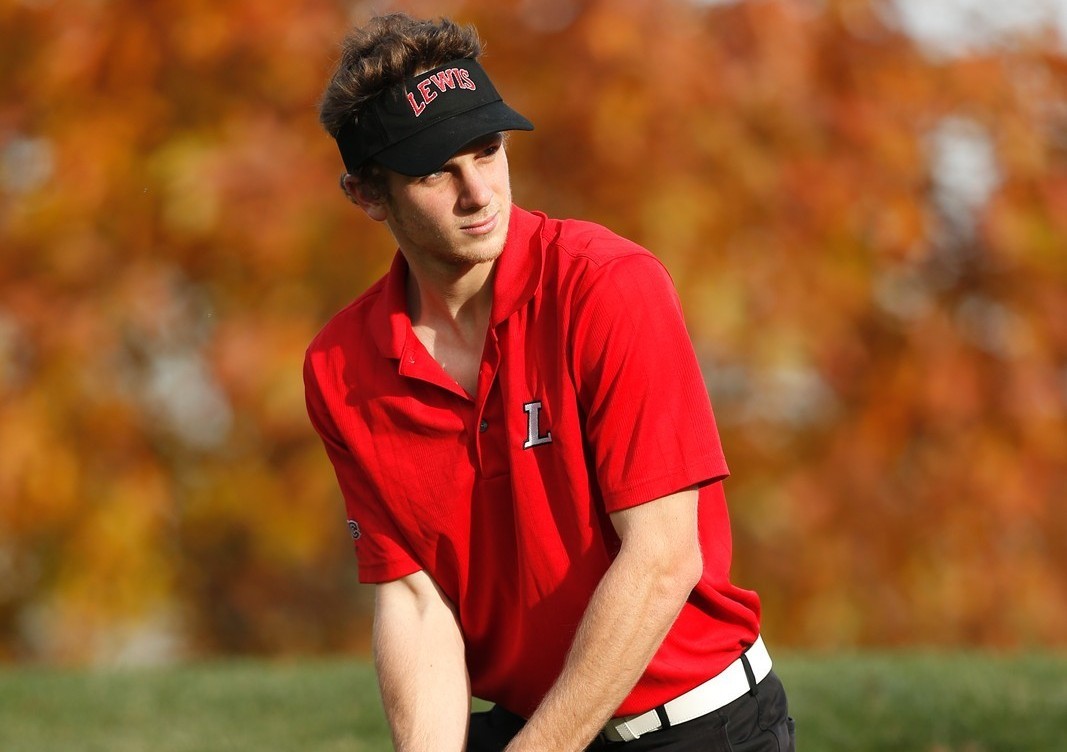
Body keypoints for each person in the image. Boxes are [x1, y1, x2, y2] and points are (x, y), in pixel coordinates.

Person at [304, 12, 794, 752]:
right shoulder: (340, 367)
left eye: (488, 151)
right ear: (368, 196)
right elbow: (413, 598)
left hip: (696, 730)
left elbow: (662, 559)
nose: (478, 194)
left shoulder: (608, 288)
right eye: (436, 170)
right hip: (536, 730)